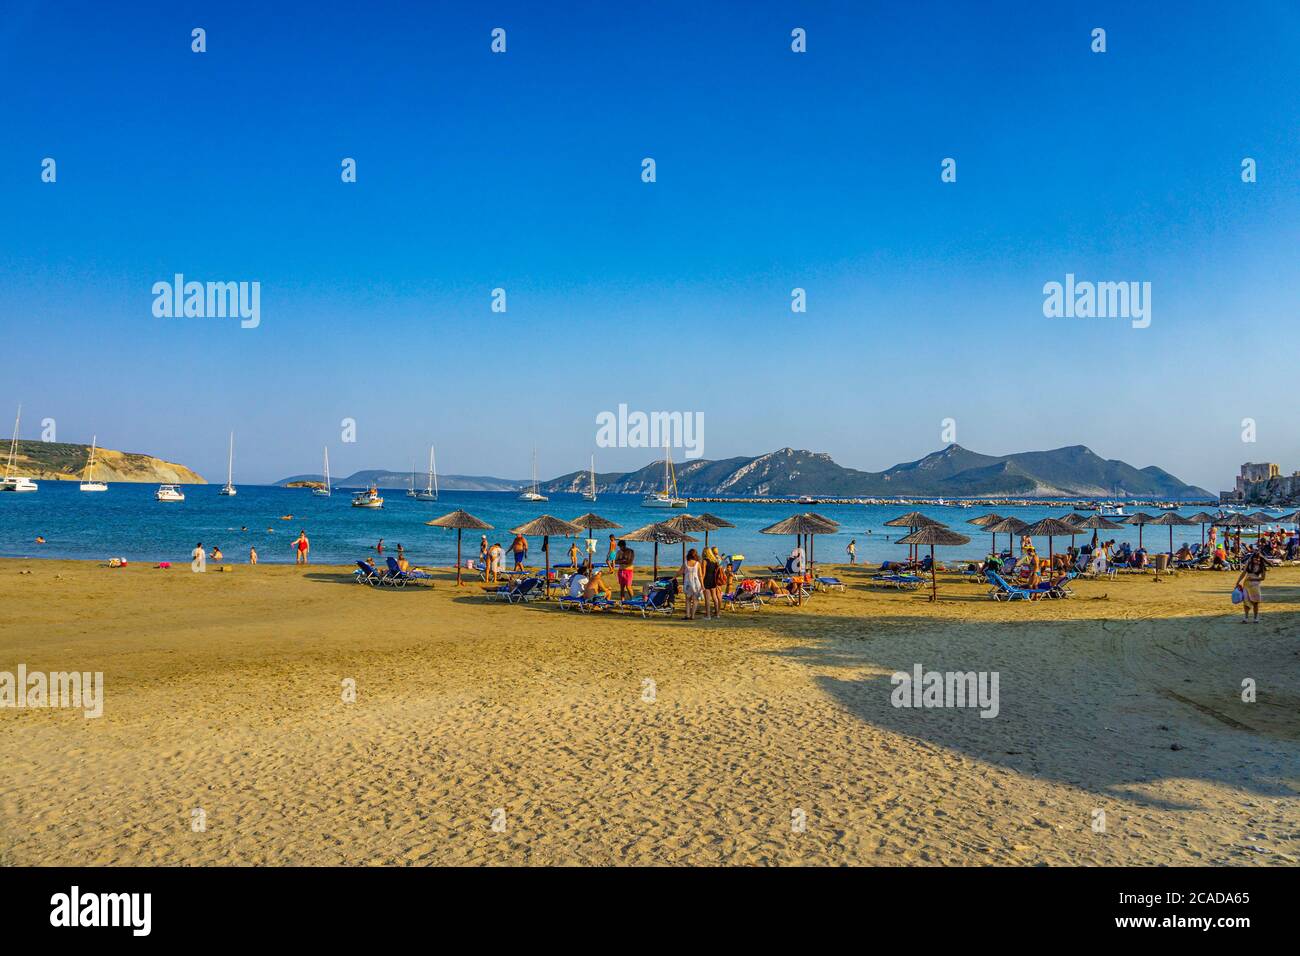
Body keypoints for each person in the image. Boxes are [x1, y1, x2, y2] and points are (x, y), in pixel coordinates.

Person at [1235, 551, 1266, 622]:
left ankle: (1256, 617)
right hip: (1247, 585)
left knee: (1256, 602)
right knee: (1246, 602)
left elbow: (1263, 578)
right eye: (1255, 559)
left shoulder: (1262, 566)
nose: (1257, 560)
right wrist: (1238, 582)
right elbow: (1243, 573)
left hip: (1255, 586)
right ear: (1252, 558)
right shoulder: (1248, 563)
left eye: (1258, 559)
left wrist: (1253, 578)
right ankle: (1246, 617)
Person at [682, 548, 703, 620]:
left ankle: (687, 615)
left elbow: (680, 572)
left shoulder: (686, 563)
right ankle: (693, 616)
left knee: (688, 599)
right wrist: (702, 585)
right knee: (695, 600)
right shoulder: (697, 564)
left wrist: (673, 578)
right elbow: (700, 575)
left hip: (688, 583)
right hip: (696, 583)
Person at [701, 547, 721, 619]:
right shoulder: (715, 560)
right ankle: (717, 614)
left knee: (707, 599)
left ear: (705, 553)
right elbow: (717, 571)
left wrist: (701, 582)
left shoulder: (704, 561)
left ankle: (708, 615)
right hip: (713, 580)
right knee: (715, 597)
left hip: (706, 580)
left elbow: (703, 573)